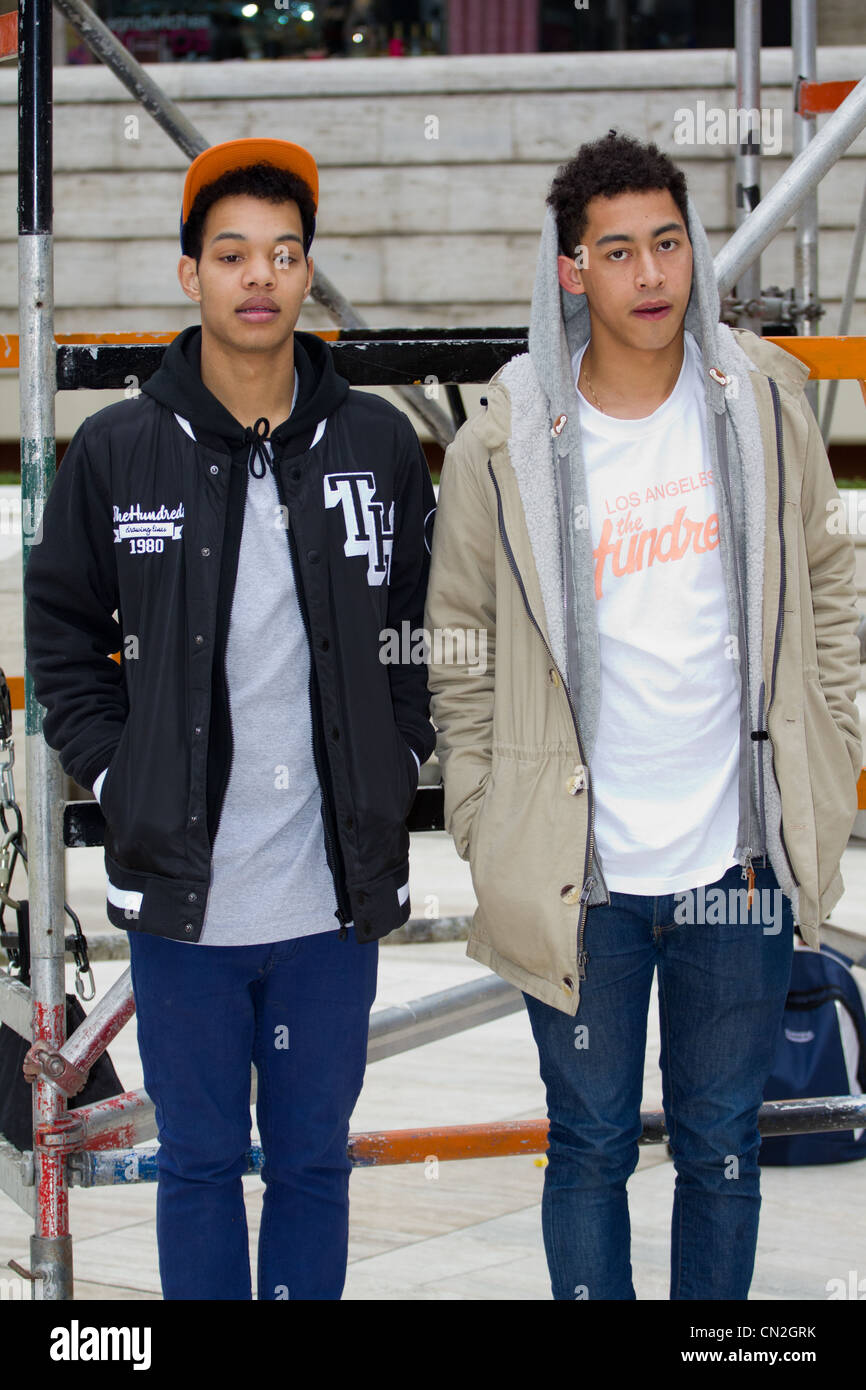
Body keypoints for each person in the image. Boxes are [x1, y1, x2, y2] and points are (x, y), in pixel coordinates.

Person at [424, 130, 862, 1300]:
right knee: (590, 1147)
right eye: (616, 252)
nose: (650, 274)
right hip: (584, 871)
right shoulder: (506, 440)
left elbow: (827, 588)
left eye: (666, 243)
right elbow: (456, 641)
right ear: (573, 271)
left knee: (722, 1150)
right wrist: (481, 811)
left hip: (738, 854)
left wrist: (827, 751)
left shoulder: (763, 400)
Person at [24, 137, 436, 1300]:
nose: (258, 277)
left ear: (308, 274)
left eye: (283, 254)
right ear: (187, 274)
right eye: (231, 254)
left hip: (327, 893)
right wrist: (117, 774)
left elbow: (420, 621)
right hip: (182, 898)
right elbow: (61, 633)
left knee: (311, 1162)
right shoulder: (119, 447)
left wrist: (400, 750)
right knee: (200, 1162)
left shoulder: (373, 444)